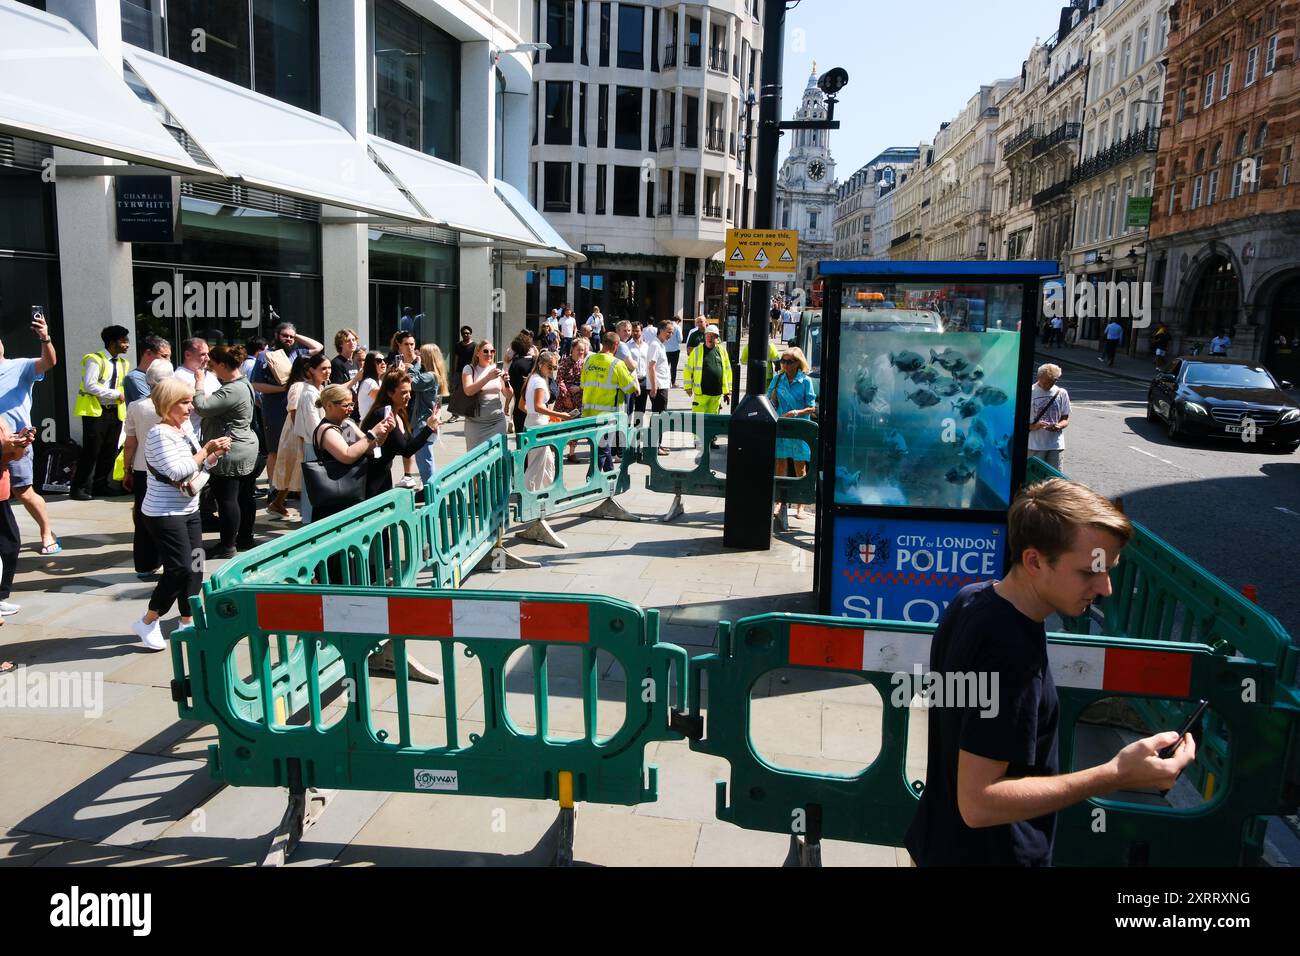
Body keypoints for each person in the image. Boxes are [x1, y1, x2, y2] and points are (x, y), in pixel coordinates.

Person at [904, 479, 1197, 866]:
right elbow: (977, 803)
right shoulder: (1010, 652)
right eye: (1088, 572)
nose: (1105, 587)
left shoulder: (972, 600)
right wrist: (1115, 773)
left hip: (939, 845)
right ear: (1034, 561)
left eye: (1109, 570)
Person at [132, 378, 231, 651]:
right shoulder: (158, 433)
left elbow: (195, 469)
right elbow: (177, 472)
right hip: (164, 513)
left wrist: (213, 455)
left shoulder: (183, 427)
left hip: (188, 509)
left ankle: (187, 620)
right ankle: (148, 620)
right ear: (167, 404)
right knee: (179, 569)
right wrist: (206, 451)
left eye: (190, 402)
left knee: (196, 565)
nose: (190, 408)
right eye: (184, 402)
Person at [0, 311, 59, 553]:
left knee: (23, 492)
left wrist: (45, 338)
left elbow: (49, 362)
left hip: (16, 442)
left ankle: (47, 532)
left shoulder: (21, 366)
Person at [193, 345, 258, 558]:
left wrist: (199, 383)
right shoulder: (242, 383)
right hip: (244, 445)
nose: (211, 369)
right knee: (245, 496)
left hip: (230, 449)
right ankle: (245, 538)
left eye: (212, 365)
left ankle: (228, 545)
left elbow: (202, 406)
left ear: (222, 364)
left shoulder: (232, 389)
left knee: (227, 499)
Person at [250, 322, 322, 503]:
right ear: (276, 335)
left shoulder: (298, 353)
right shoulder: (265, 357)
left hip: (298, 410)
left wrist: (296, 336)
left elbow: (318, 347)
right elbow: (256, 384)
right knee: (275, 451)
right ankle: (274, 489)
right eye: (285, 336)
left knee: (296, 450)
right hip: (275, 410)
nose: (289, 339)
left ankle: (292, 489)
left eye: (292, 336)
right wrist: (282, 388)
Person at [305, 385, 393, 523]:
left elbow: (371, 447)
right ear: (329, 405)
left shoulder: (348, 423)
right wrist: (372, 434)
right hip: (334, 500)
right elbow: (347, 456)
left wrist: (384, 432)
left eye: (352, 404)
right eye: (345, 405)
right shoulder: (326, 429)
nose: (351, 409)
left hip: (350, 494)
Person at [122, 360, 174, 578]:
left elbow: (130, 442)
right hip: (172, 467)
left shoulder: (136, 406)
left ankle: (145, 564)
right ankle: (172, 560)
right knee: (173, 516)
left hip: (144, 469)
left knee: (144, 518)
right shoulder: (177, 404)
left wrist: (127, 469)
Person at [71, 324, 131, 500]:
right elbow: (90, 385)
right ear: (112, 343)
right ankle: (78, 487)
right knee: (92, 451)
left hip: (115, 411)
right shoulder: (94, 359)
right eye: (124, 341)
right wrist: (116, 394)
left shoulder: (123, 363)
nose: (127, 344)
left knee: (110, 450)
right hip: (95, 411)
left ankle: (100, 485)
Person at [358, 369, 439, 498]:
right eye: (403, 393)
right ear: (390, 393)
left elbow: (409, 444)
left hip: (383, 476)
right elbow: (406, 450)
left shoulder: (399, 413)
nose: (409, 396)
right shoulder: (383, 414)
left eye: (409, 392)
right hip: (369, 479)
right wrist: (429, 428)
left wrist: (429, 427)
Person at [768, 348, 817, 520]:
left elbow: (812, 407)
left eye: (789, 361)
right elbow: (768, 401)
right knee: (780, 465)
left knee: (799, 466)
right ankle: (779, 501)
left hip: (800, 429)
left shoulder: (805, 381)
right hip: (782, 427)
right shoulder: (777, 378)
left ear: (798, 363)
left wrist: (796, 412)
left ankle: (800, 505)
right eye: (783, 361)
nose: (785, 365)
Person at [581, 332, 639, 471]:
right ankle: (591, 479)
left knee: (603, 447)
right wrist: (633, 378)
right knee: (602, 450)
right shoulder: (617, 364)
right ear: (616, 345)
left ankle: (610, 476)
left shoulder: (589, 360)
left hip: (589, 413)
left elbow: (583, 383)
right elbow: (630, 388)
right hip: (607, 414)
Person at [267, 355, 313, 521]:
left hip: (301, 430)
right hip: (296, 432)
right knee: (296, 467)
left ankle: (278, 503)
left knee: (295, 469)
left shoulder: (308, 385)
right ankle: (301, 509)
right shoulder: (297, 386)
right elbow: (293, 411)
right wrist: (300, 432)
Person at [0, 419, 35, 628]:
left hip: (2, 492)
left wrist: (20, 444)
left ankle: (1, 596)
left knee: (10, 545)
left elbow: (12, 456)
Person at [292, 353, 333, 523]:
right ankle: (309, 522)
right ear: (311, 371)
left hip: (318, 443)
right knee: (314, 484)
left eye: (329, 368)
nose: (327, 371)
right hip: (315, 444)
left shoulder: (319, 389)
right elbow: (314, 426)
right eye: (323, 368)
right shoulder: (309, 393)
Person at [522, 350, 571, 491]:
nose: (552, 371)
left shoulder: (535, 378)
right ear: (541, 365)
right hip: (537, 424)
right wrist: (559, 414)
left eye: (554, 368)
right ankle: (529, 495)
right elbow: (538, 406)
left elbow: (531, 406)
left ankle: (550, 490)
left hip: (535, 422)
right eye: (550, 367)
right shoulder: (538, 380)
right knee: (536, 465)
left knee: (547, 462)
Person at [461, 340, 513, 451]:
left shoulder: (497, 370)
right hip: (475, 423)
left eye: (492, 351)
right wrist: (488, 378)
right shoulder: (469, 369)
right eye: (485, 351)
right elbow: (468, 391)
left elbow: (508, 395)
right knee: (475, 458)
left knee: (498, 457)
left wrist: (507, 383)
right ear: (477, 353)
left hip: (497, 421)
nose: (489, 354)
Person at [409, 344, 450, 485]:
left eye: (421, 354)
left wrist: (415, 366)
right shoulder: (434, 375)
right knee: (426, 456)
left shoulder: (429, 376)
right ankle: (429, 486)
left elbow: (411, 382)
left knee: (424, 458)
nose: (418, 355)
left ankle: (429, 488)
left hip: (424, 422)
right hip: (428, 420)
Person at [1027, 364, 1071, 471]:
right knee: (1034, 479)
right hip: (1034, 445)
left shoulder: (1061, 393)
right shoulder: (1029, 392)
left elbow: (1065, 419)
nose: (1049, 386)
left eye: (1053, 382)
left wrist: (1058, 425)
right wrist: (1033, 426)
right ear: (1039, 377)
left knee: (1054, 479)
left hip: (1055, 445)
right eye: (1046, 382)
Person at [684, 325, 732, 414]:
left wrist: (727, 391)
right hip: (702, 394)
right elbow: (688, 369)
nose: (710, 338)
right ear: (705, 337)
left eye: (712, 336)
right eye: (708, 335)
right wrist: (688, 387)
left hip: (716, 395)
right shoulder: (697, 351)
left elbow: (727, 371)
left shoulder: (722, 351)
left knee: (712, 422)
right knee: (699, 422)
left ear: (717, 338)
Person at [555, 338, 590, 463]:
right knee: (560, 426)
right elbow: (559, 380)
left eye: (583, 350)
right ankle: (557, 451)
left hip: (578, 400)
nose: (581, 352)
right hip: (564, 400)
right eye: (578, 349)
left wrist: (580, 388)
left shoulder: (584, 364)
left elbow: (587, 381)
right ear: (572, 350)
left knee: (575, 427)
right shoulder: (565, 362)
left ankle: (572, 453)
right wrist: (566, 396)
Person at [646, 322, 673, 454]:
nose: (670, 334)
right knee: (658, 416)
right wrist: (654, 387)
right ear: (660, 330)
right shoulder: (655, 345)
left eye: (671, 332)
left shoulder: (660, 345)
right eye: (668, 331)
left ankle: (658, 444)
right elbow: (651, 367)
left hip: (662, 385)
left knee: (660, 416)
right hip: (658, 386)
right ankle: (653, 446)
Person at [124, 336, 171, 405]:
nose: (168, 360)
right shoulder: (135, 377)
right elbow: (150, 405)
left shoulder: (165, 375)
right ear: (148, 353)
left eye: (169, 357)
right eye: (164, 356)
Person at [507, 331, 537, 437]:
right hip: (535, 408)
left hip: (519, 408)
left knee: (521, 441)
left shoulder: (514, 365)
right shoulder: (536, 362)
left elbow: (513, 386)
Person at [356, 351, 388, 424]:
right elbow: (384, 400)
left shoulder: (379, 382)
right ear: (371, 364)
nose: (383, 363)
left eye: (385, 360)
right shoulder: (369, 382)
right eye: (379, 361)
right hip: (368, 425)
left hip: (376, 423)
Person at [664, 315, 683, 386]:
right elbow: (680, 339)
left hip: (666, 349)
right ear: (677, 321)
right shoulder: (677, 327)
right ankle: (673, 382)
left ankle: (665, 381)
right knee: (673, 367)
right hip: (675, 349)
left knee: (665, 366)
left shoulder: (666, 326)